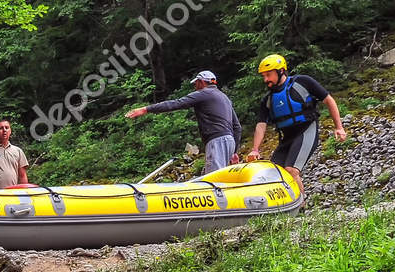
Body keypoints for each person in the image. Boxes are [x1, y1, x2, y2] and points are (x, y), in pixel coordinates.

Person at [247, 54, 345, 188]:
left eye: (268, 75)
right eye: (263, 76)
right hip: (287, 137)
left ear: (281, 71)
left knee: (291, 170)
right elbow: (261, 125)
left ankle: (301, 202)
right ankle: (289, 201)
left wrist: (339, 127)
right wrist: (255, 149)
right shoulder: (268, 99)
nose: (266, 79)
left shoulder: (303, 82)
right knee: (273, 174)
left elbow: (329, 100)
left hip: (306, 130)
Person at [125, 70, 242, 174]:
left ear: (201, 82)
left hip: (217, 141)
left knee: (214, 178)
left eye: (196, 83)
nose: (195, 86)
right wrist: (234, 151)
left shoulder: (203, 94)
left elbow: (175, 103)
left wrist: (146, 109)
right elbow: (237, 126)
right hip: (230, 141)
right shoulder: (225, 98)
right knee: (219, 175)